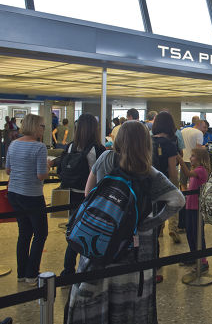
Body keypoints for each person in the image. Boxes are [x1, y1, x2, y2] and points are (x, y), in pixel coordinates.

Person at [66, 121, 185, 324]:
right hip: (135, 249)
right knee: (130, 298)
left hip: (101, 239)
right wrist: (147, 224)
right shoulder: (148, 171)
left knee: (99, 290)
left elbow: (88, 194)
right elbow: (178, 200)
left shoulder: (105, 158)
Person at [53, 113, 105, 276]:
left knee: (73, 231)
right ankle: (87, 268)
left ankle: (68, 269)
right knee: (88, 232)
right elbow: (99, 175)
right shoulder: (97, 149)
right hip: (88, 196)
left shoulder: (70, 147)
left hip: (69, 194)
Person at [5, 114, 49, 285]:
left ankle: (21, 273)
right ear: (35, 127)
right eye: (42, 126)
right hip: (31, 195)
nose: (43, 129)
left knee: (24, 233)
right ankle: (32, 274)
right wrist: (46, 165)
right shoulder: (39, 147)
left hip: (14, 193)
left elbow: (8, 170)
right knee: (40, 234)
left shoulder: (14, 144)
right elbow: (41, 175)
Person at [151, 111, 181, 246]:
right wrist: (176, 188)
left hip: (147, 186)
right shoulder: (170, 144)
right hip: (162, 185)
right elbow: (172, 171)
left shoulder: (148, 141)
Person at [177, 148, 210, 270]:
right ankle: (194, 256)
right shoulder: (195, 170)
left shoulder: (201, 171)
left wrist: (181, 160)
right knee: (190, 233)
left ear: (200, 158)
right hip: (190, 207)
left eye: (193, 156)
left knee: (198, 234)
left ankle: (203, 261)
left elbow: (187, 174)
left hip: (197, 209)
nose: (190, 158)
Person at [181, 120, 205, 190]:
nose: (204, 129)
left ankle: (184, 198)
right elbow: (198, 149)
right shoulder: (199, 133)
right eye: (203, 127)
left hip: (183, 160)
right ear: (199, 125)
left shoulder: (183, 130)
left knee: (183, 182)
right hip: (194, 161)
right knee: (193, 183)